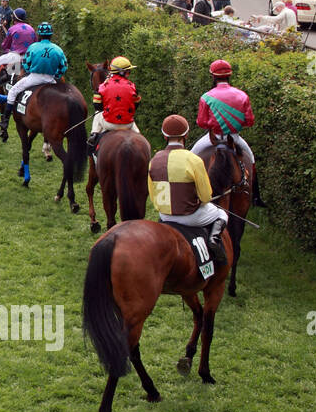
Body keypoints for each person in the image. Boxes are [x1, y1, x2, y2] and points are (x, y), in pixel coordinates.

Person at [149, 114, 229, 271]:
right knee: (222, 214)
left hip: (165, 217)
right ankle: (214, 240)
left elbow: (153, 195)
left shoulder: (154, 160)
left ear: (164, 135)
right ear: (186, 135)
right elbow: (206, 196)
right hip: (191, 217)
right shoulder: (194, 160)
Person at [191, 59, 261, 204]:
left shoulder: (206, 97)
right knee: (251, 159)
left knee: (191, 158)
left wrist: (215, 122)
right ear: (229, 75)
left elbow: (202, 123)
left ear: (213, 76)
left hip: (213, 138)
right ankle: (255, 196)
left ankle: (190, 194)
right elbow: (250, 121)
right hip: (235, 138)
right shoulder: (242, 95)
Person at [0, 22, 67, 140]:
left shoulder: (33, 47)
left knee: (13, 92)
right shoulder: (58, 49)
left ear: (39, 35)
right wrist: (56, 75)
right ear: (51, 35)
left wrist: (30, 70)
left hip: (34, 78)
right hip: (51, 79)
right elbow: (64, 67)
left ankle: (5, 122)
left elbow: (26, 63)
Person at [88, 56, 141, 161]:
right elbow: (136, 105)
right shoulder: (132, 86)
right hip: (128, 124)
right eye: (128, 72)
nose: (129, 74)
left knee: (98, 113)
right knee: (140, 138)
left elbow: (97, 106)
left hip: (109, 124)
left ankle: (94, 135)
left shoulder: (102, 86)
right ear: (122, 72)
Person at [0, 8, 37, 88]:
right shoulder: (31, 28)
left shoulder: (12, 29)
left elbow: (4, 46)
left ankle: (5, 79)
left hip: (16, 57)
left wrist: (8, 50)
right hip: (30, 57)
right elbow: (35, 43)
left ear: (14, 18)